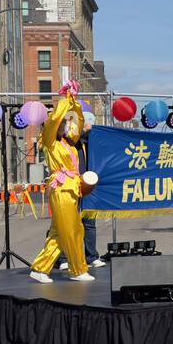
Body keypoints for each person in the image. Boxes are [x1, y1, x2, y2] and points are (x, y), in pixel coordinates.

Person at [28, 82, 93, 283]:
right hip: (62, 189)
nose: (67, 124)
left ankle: (40, 268)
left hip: (72, 189)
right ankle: (78, 269)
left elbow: (78, 124)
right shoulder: (50, 142)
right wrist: (64, 100)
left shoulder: (69, 144)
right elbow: (55, 119)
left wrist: (74, 103)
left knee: (58, 233)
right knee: (73, 230)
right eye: (64, 123)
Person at [54, 111, 104, 271]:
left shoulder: (84, 143)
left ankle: (91, 256)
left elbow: (91, 138)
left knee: (89, 222)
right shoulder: (60, 141)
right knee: (66, 223)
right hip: (66, 186)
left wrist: (90, 130)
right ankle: (62, 258)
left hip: (85, 186)